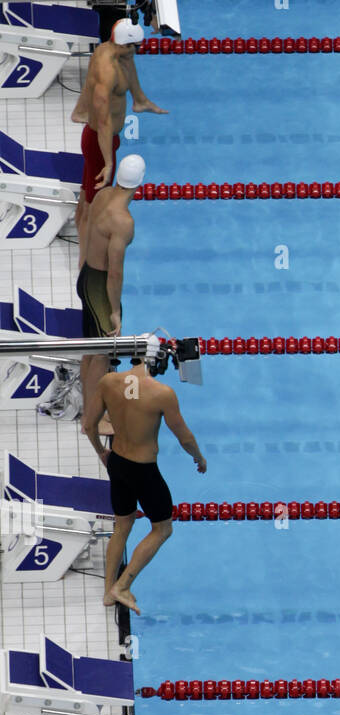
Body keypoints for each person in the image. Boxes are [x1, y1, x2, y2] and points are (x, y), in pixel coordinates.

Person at [82, 353, 207, 613]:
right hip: (143, 471)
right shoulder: (162, 393)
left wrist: (101, 453)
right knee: (162, 529)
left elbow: (88, 425)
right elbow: (184, 437)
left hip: (117, 462)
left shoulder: (108, 381)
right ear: (157, 362)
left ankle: (108, 592)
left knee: (122, 525)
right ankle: (123, 585)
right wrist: (199, 457)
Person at [71, 18, 167, 255]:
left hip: (100, 140)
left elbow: (130, 65)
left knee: (86, 195)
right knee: (94, 207)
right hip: (99, 143)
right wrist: (109, 163)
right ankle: (85, 259)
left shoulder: (111, 50)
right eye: (136, 47)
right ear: (126, 45)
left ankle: (82, 234)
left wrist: (139, 99)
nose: (137, 52)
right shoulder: (108, 73)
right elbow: (103, 124)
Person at [76, 152, 145, 419]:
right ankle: (92, 417)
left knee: (89, 348)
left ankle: (86, 405)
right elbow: (115, 273)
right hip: (100, 289)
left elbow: (85, 225)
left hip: (86, 277)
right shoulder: (123, 222)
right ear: (140, 182)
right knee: (104, 352)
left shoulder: (103, 195)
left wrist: (83, 264)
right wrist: (115, 310)